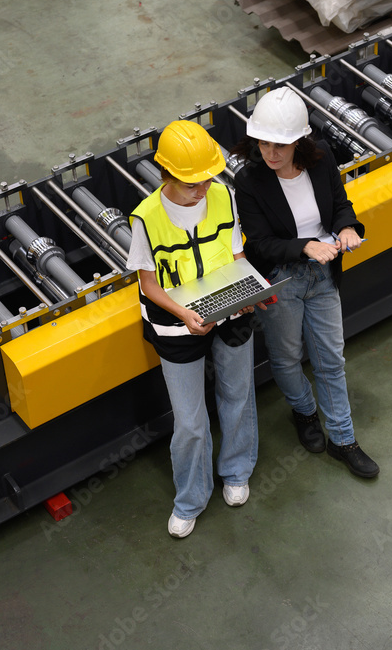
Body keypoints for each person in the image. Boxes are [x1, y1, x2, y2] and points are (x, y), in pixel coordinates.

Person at [232, 86, 379, 479]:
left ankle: (343, 440)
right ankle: (304, 411)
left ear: (299, 140)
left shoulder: (322, 158)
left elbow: (341, 204)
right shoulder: (249, 181)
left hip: (323, 275)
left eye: (279, 145)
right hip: (281, 280)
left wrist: (346, 227)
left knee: (331, 360)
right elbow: (259, 242)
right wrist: (305, 247)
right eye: (263, 143)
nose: (270, 153)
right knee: (286, 358)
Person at [127, 120, 259, 538]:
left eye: (207, 179)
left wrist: (250, 288)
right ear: (166, 174)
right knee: (189, 421)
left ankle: (236, 471)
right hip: (175, 323)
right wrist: (185, 315)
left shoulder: (223, 195)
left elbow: (236, 253)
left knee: (238, 395)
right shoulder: (147, 218)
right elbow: (149, 284)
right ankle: (191, 499)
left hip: (230, 309)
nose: (202, 189)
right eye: (191, 184)